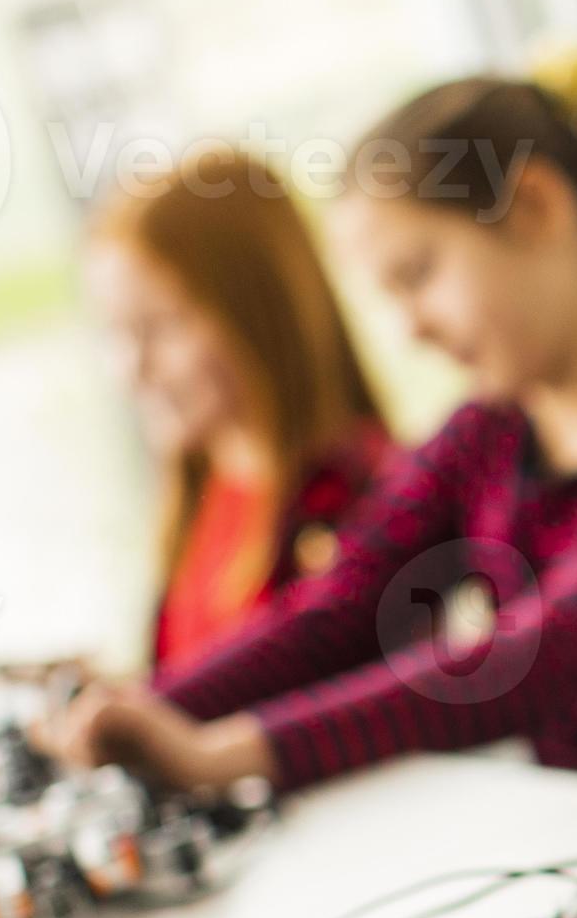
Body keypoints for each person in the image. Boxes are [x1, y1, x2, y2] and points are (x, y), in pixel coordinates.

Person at [51, 51, 577, 793]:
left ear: (536, 208)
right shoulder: (489, 436)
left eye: (418, 275)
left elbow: (516, 663)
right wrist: (138, 712)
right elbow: (342, 609)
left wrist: (230, 754)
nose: (410, 329)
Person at [83, 145, 392, 674]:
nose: (131, 371)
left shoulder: (365, 503)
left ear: (259, 311)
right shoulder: (203, 488)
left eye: (160, 325)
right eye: (116, 332)